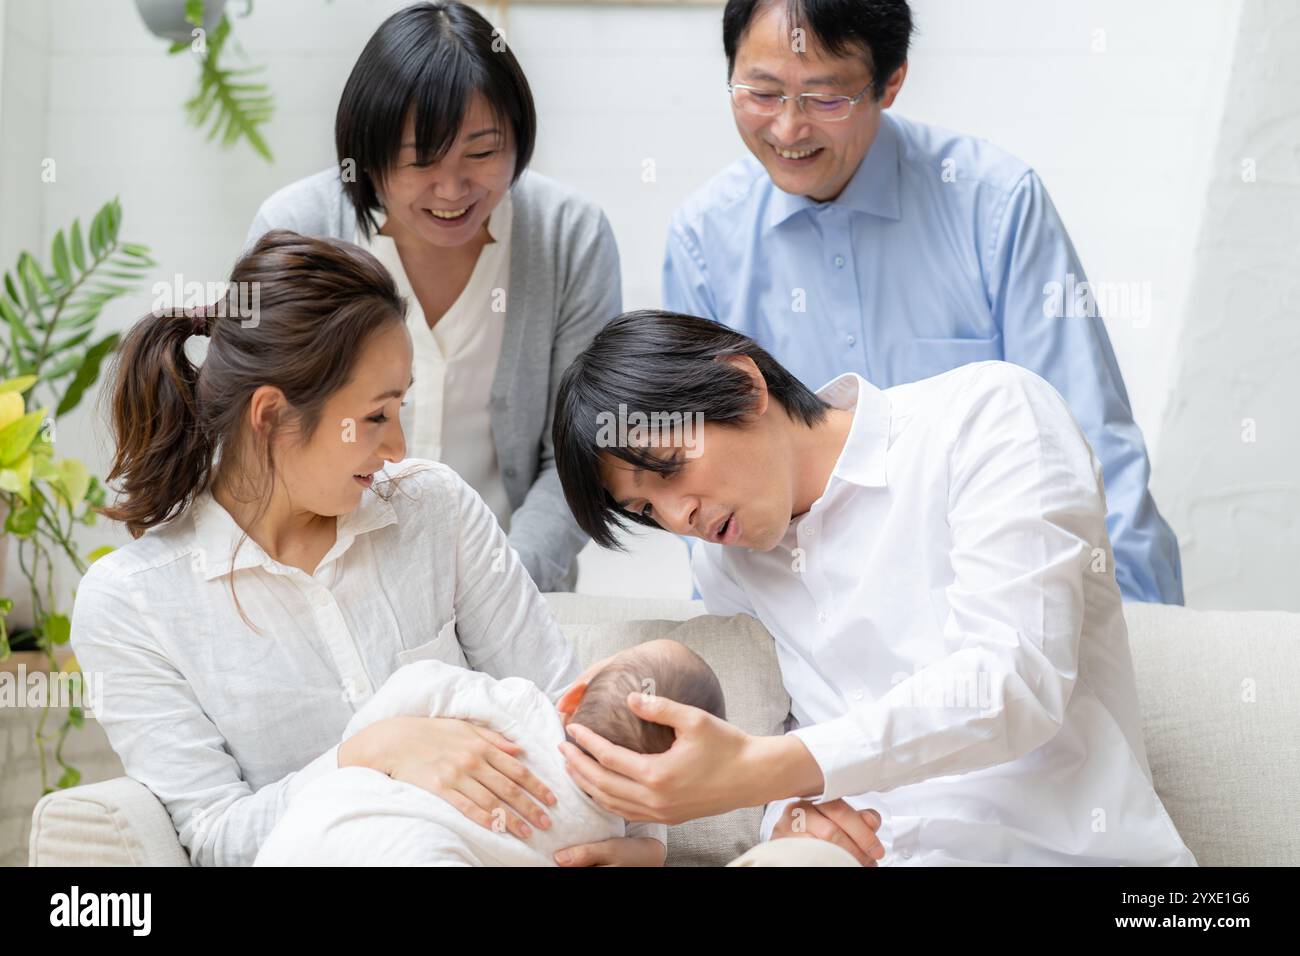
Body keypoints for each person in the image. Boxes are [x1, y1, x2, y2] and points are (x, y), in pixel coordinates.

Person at [69, 231, 663, 867]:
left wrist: (645, 846)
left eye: (400, 407)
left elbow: (561, 706)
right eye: (377, 416)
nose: (397, 447)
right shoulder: (132, 603)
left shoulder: (435, 510)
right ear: (269, 416)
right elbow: (217, 843)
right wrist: (372, 752)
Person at [549, 309, 1197, 866]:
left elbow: (1013, 682)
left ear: (743, 386)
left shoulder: (987, 416)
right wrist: (790, 819)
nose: (676, 518)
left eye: (669, 467)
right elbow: (785, 731)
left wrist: (765, 772)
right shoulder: (727, 569)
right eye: (644, 512)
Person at [662, 0, 1182, 603]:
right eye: (761, 92)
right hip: (821, 611)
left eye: (826, 99)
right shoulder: (703, 239)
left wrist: (1137, 624)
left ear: (891, 82)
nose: (787, 129)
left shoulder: (995, 206)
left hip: (1006, 582)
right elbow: (706, 475)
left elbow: (1089, 436)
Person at [246, 1, 618, 592]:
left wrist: (501, 587)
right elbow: (260, 434)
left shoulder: (569, 237)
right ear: (367, 155)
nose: (453, 189)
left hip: (513, 579)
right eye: (421, 159)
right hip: (328, 580)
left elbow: (581, 452)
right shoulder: (299, 226)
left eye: (481, 152)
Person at [253, 641, 729, 866]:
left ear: (571, 697)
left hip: (309, 834)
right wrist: (652, 845)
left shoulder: (522, 708)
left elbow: (416, 683)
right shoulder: (602, 835)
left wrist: (363, 740)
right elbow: (648, 797)